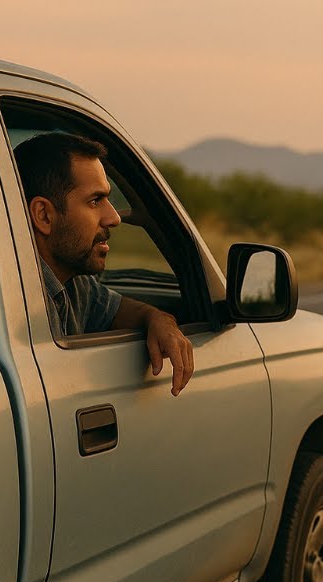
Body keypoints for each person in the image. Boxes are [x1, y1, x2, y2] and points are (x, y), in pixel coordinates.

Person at [13, 132, 193, 396]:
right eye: (95, 201)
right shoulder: (17, 301)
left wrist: (160, 319)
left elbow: (122, 311)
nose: (114, 218)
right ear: (44, 215)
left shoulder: (73, 283)